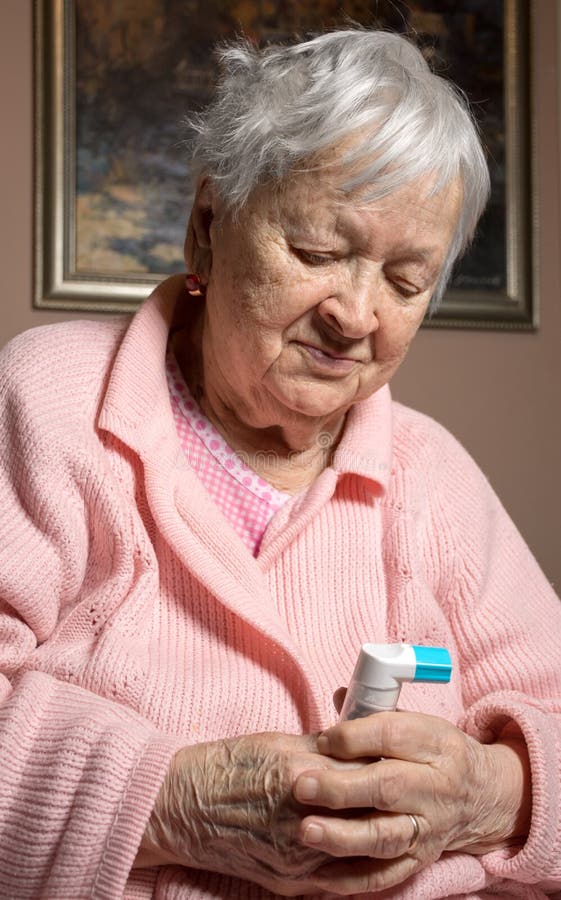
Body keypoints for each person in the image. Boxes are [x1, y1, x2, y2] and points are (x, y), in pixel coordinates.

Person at [0, 27, 560, 900]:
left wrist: (490, 795)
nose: (356, 314)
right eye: (317, 253)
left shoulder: (432, 476)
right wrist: (168, 803)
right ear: (208, 226)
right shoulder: (51, 399)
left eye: (405, 282)